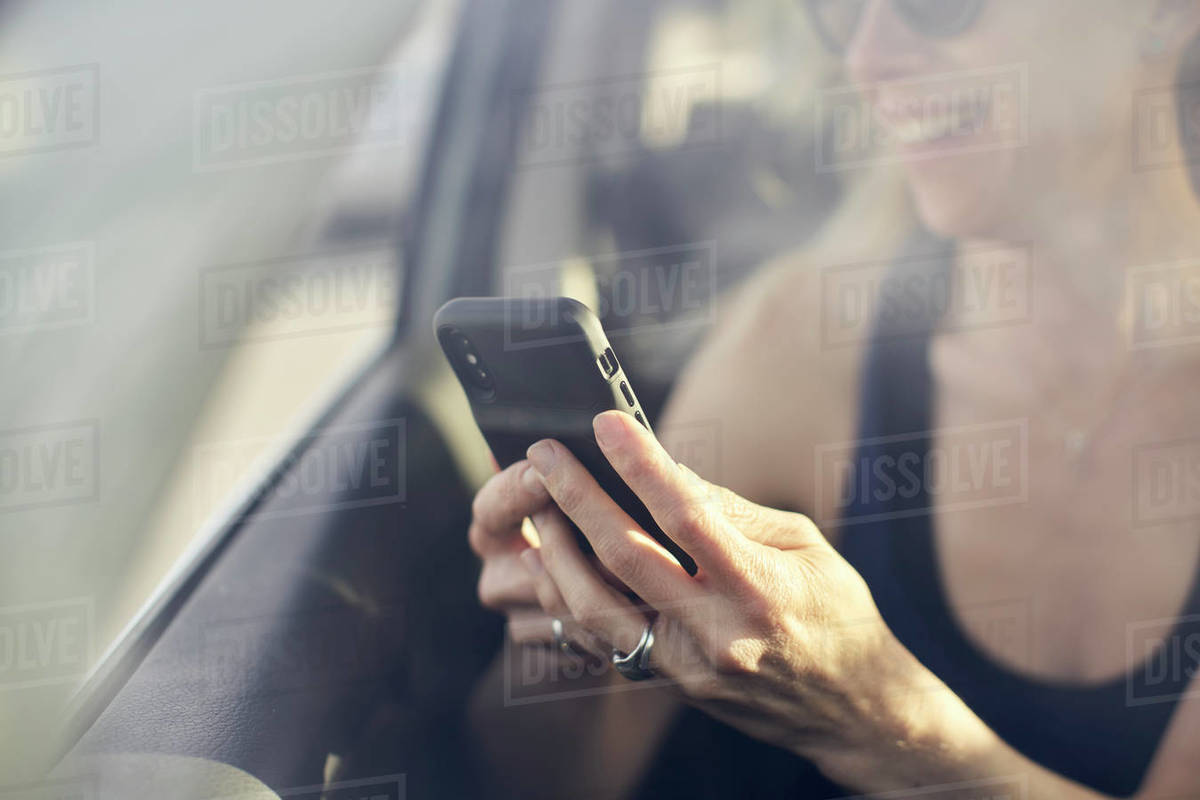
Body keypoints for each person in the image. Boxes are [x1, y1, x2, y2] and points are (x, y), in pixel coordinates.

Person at [468, 1, 1200, 797]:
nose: (868, 58)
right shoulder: (798, 346)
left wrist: (878, 718)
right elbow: (555, 778)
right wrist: (566, 638)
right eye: (841, 11)